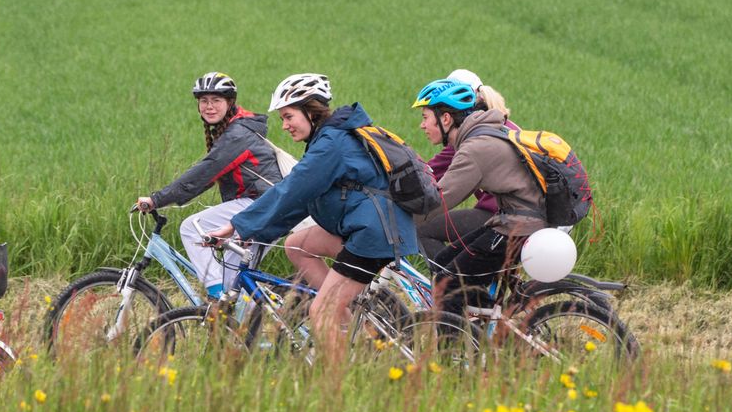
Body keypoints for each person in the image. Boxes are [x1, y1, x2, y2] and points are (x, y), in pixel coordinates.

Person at [209, 73, 419, 362]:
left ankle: (336, 387)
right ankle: (346, 321)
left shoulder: (331, 144)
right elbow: (302, 202)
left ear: (310, 110)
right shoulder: (328, 139)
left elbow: (290, 190)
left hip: (375, 233)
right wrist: (251, 234)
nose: (284, 126)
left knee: (320, 311)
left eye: (288, 116)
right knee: (298, 244)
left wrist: (236, 224)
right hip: (367, 226)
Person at [135, 72, 283, 298]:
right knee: (232, 280)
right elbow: (209, 177)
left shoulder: (238, 134)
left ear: (229, 103)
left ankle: (216, 298)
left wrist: (157, 199)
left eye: (216, 100)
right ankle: (256, 326)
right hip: (269, 207)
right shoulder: (235, 130)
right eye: (204, 101)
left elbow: (205, 173)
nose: (209, 106)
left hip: (262, 204)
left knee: (191, 228)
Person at [411, 78, 544, 318]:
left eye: (425, 117)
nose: (422, 125)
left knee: (445, 282)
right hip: (515, 220)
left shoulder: (474, 148)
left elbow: (440, 199)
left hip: (518, 226)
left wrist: (397, 217)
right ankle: (482, 321)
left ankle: (448, 351)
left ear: (446, 119)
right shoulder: (482, 134)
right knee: (443, 261)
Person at [415, 69, 519, 261]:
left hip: (501, 215)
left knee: (422, 229)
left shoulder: (472, 139)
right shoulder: (500, 125)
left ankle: (445, 283)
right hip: (521, 212)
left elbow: (431, 177)